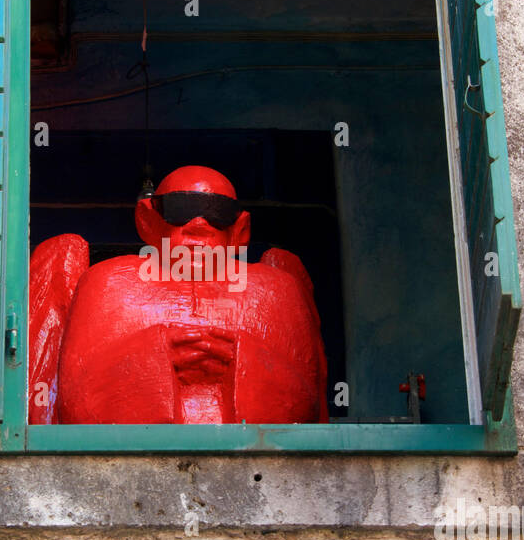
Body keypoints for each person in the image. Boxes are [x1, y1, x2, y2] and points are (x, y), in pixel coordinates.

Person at [28, 165, 328, 425]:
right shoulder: (107, 283)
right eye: (179, 209)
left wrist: (241, 359)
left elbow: (307, 405)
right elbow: (73, 400)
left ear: (240, 229)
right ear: (148, 220)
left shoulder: (276, 289)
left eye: (217, 213)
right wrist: (156, 354)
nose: (198, 226)